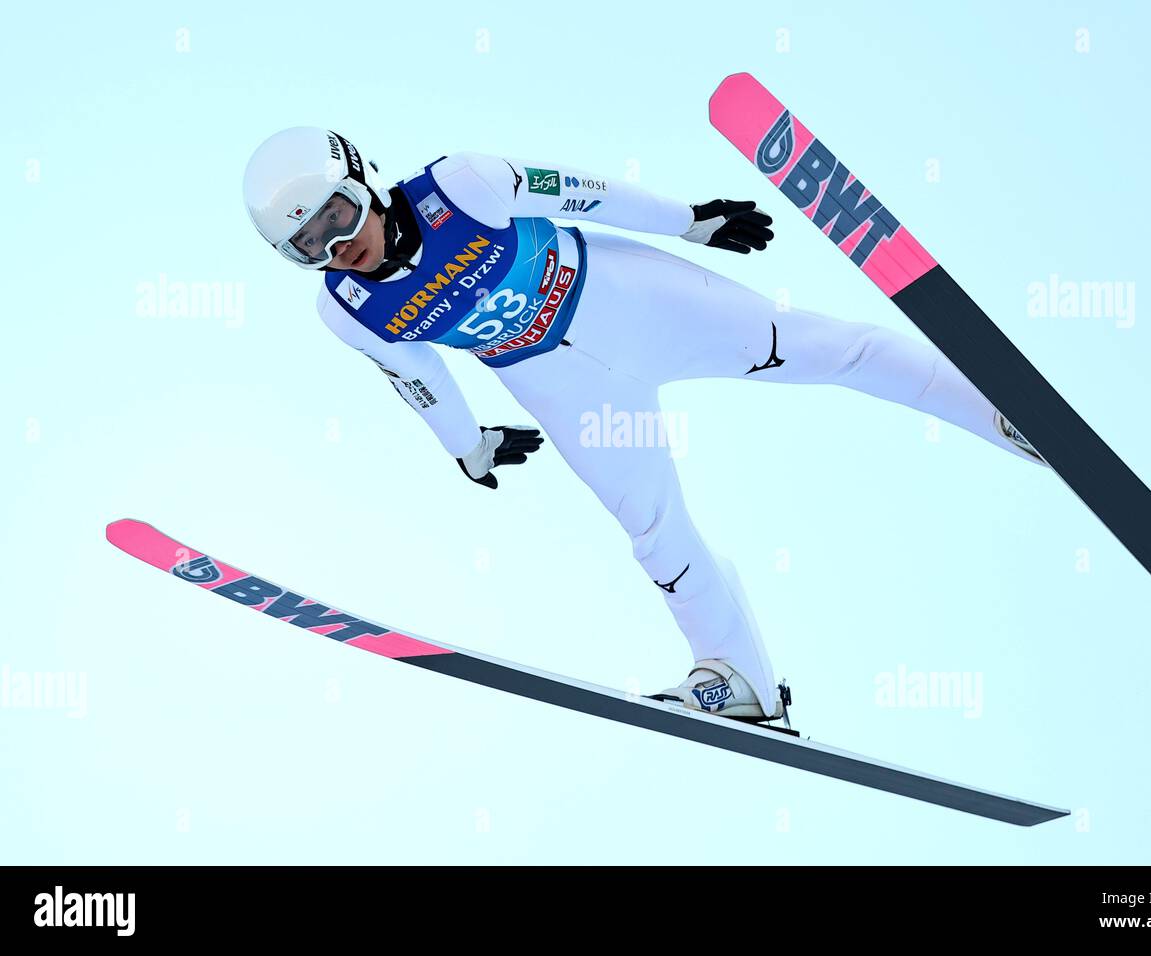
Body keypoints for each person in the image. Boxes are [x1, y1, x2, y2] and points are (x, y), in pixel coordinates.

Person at [242, 127, 1045, 729]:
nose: (339, 247)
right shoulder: (348, 309)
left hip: (627, 300)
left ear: (363, 178)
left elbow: (578, 194)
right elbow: (419, 378)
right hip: (557, 382)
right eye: (307, 246)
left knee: (831, 350)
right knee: (653, 527)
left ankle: (1004, 414)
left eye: (339, 218)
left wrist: (690, 221)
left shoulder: (461, 186)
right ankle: (739, 677)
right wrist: (470, 446)